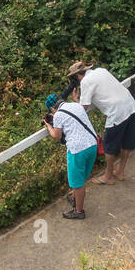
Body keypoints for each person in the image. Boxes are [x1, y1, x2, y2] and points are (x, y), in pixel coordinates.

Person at [70, 58, 135, 184]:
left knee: (109, 145)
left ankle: (108, 176)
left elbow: (83, 108)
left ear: (77, 76)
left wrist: (75, 99)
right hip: (130, 105)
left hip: (116, 112)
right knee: (126, 142)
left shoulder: (85, 81)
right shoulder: (101, 70)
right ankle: (120, 171)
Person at [43, 76, 98, 218]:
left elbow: (56, 135)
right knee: (81, 178)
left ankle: (78, 211)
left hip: (77, 150)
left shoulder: (58, 115)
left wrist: (49, 125)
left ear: (52, 108)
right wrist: (76, 98)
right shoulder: (76, 105)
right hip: (92, 144)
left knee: (78, 183)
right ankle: (74, 198)